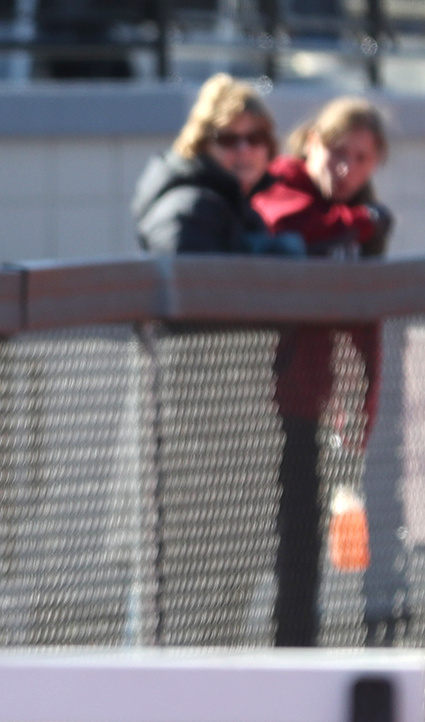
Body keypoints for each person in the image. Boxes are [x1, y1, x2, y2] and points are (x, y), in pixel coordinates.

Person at [251, 97, 393, 647]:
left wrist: (361, 408)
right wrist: (362, 221)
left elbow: (365, 326)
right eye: (337, 152)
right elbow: (291, 223)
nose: (346, 169)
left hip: (313, 405)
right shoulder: (280, 189)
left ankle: (293, 703)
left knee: (303, 557)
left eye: (360, 159)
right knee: (231, 556)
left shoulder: (361, 223)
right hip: (256, 407)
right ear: (310, 143)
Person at [132, 75, 290, 256]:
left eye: (255, 138)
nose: (244, 150)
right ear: (201, 144)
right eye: (228, 139)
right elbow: (186, 279)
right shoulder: (190, 210)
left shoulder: (234, 206)